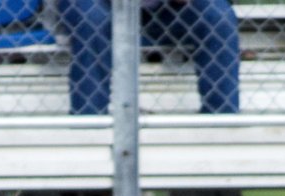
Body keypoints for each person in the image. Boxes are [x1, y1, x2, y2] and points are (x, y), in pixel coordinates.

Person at [59, 0, 240, 117]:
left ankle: (222, 118)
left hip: (165, 8)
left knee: (219, 17)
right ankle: (90, 120)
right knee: (92, 20)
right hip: (99, 4)